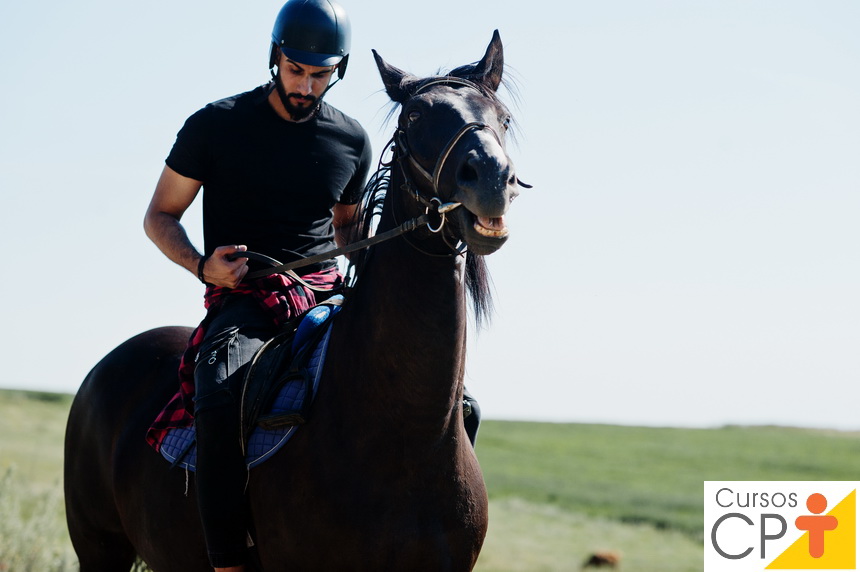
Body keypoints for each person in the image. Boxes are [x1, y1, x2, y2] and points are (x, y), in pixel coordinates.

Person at [143, 1, 371, 570]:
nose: (306, 84)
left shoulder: (351, 140)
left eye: (321, 74)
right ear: (275, 57)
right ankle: (228, 560)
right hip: (247, 297)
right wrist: (202, 266)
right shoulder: (214, 125)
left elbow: (345, 229)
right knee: (219, 391)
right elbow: (159, 217)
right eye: (297, 69)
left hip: (324, 293)